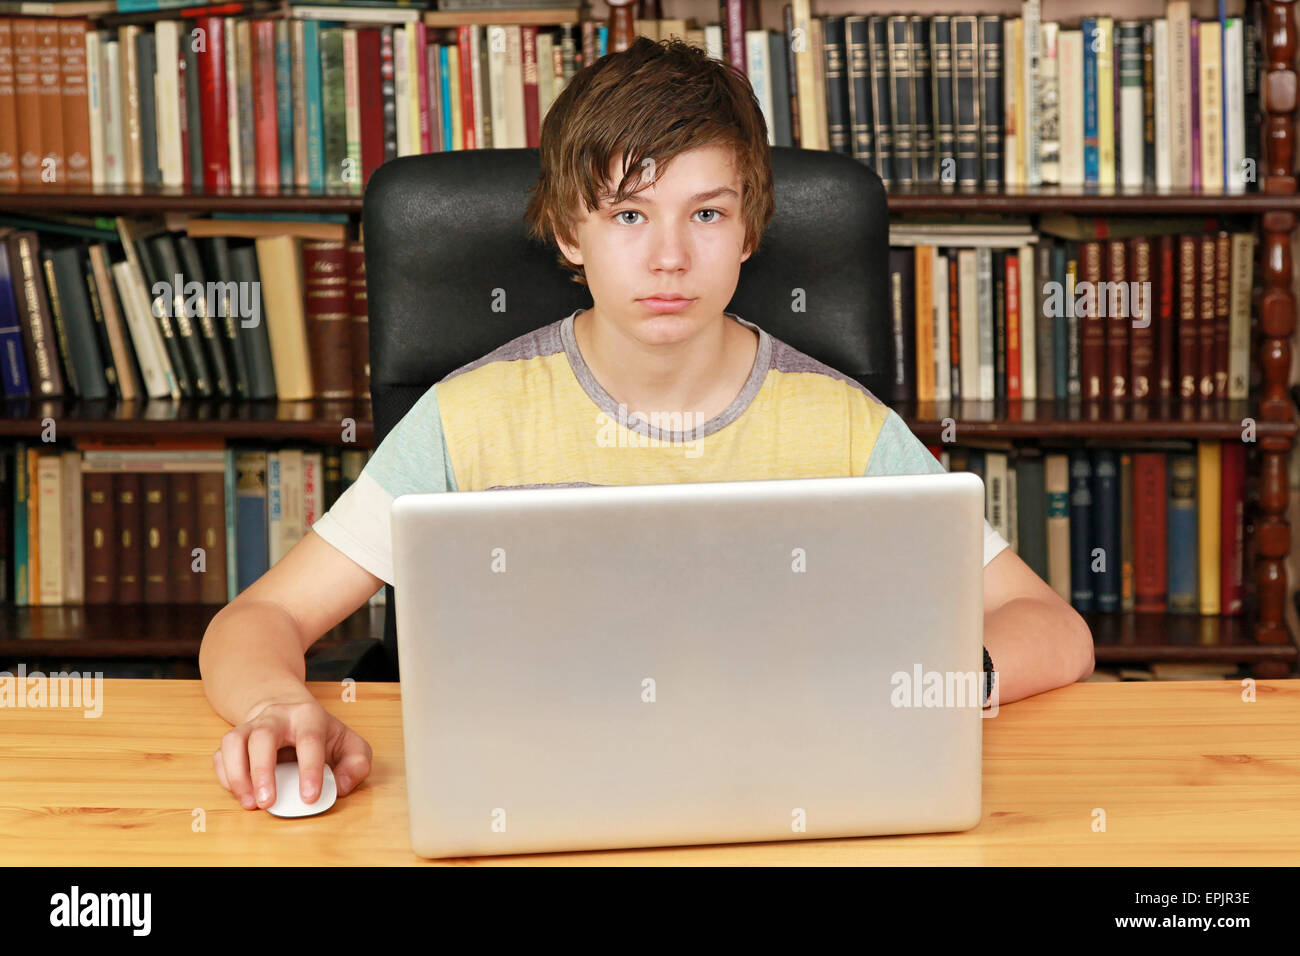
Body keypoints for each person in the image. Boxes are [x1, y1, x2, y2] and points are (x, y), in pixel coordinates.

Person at [199, 36, 1094, 813]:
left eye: (706, 213)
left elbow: (1050, 627)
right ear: (567, 232)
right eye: (629, 213)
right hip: (527, 793)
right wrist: (278, 704)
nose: (670, 256)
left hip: (778, 792)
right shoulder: (465, 420)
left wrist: (932, 688)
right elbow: (260, 617)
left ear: (749, 233)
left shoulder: (845, 426)